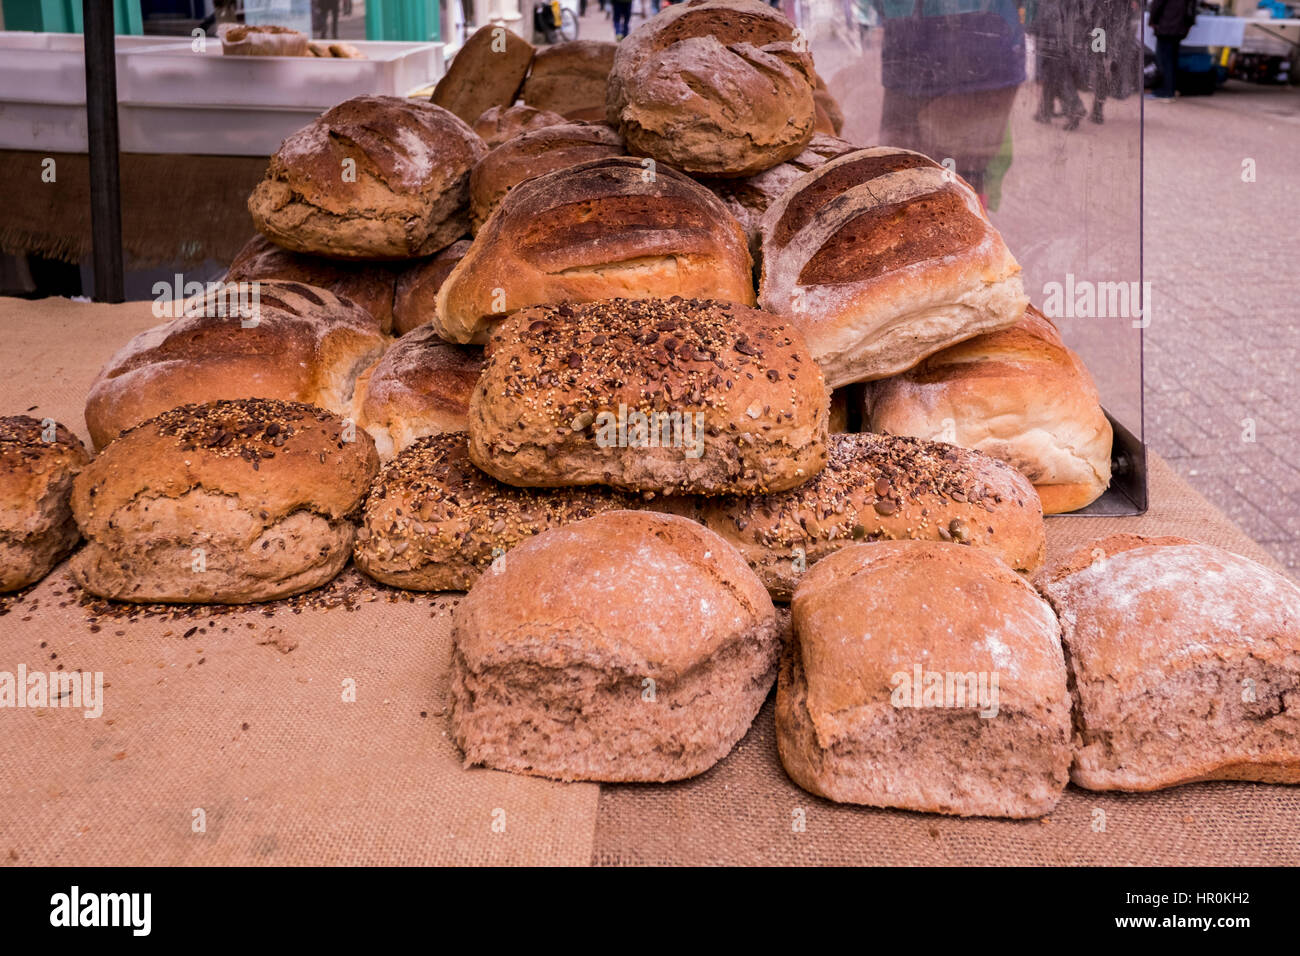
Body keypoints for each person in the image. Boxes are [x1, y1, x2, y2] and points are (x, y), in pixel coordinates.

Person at [876, 0, 1026, 206]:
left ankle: (968, 227)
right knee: (965, 171)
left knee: (907, 172)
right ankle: (968, 223)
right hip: (986, 42)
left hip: (916, 43)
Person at [1148, 0, 1198, 101]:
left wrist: (1152, 20)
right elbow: (1192, 6)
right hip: (1180, 26)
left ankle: (1167, 91)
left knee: (1164, 60)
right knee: (1172, 59)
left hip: (1166, 24)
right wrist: (1189, 24)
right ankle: (1171, 88)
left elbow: (1157, 4)